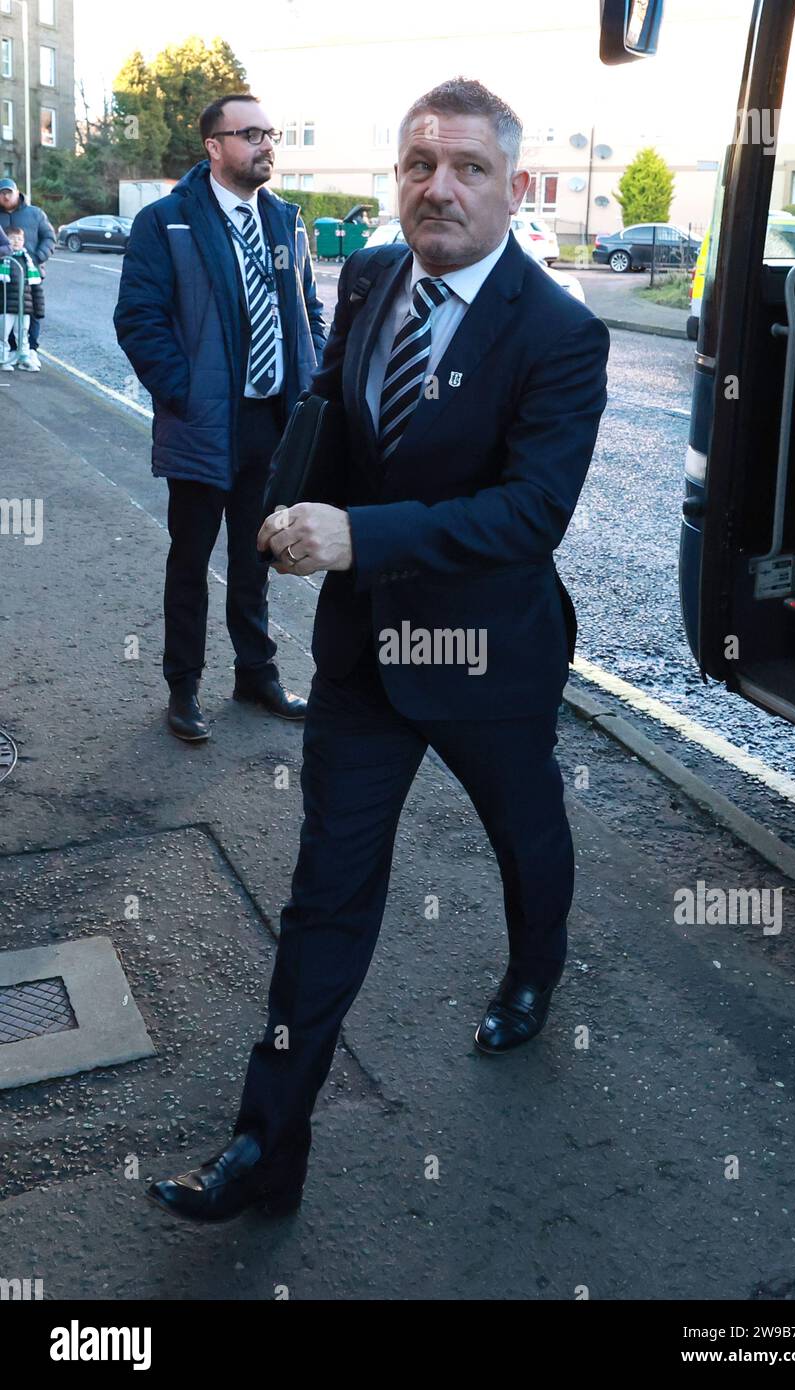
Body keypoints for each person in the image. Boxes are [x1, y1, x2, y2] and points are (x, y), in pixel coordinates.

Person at [147, 76, 610, 1223]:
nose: (437, 187)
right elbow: (328, 403)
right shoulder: (364, 278)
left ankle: (532, 968)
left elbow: (527, 515)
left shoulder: (560, 334)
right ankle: (266, 1150)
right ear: (393, 177)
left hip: (485, 654)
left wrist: (359, 534)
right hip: (363, 658)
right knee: (325, 896)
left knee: (525, 836)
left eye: (466, 168)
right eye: (417, 164)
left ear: (512, 187)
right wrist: (290, 499)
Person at [114, 95, 325, 741]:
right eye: (252, 133)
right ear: (214, 145)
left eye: (272, 132)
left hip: (272, 423)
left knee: (256, 558)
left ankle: (255, 674)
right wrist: (185, 394)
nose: (267, 144)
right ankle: (183, 689)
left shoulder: (286, 222)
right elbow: (139, 321)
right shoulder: (168, 222)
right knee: (190, 560)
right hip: (206, 424)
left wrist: (310, 387)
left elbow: (307, 311)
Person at [0, 177, 55, 364]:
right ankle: (8, 350)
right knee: (4, 312)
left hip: (31, 274)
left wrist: (38, 257)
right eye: (2, 193)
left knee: (31, 312)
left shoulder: (35, 214)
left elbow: (49, 237)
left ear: (17, 193)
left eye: (9, 192)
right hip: (4, 276)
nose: (5, 197)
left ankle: (30, 349)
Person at [0, 226, 45, 371]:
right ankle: (4, 358)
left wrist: (39, 308)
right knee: (3, 334)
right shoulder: (3, 260)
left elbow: (36, 288)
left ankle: (23, 358)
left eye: (20, 239)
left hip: (24, 306)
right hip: (5, 306)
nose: (16, 242)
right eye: (12, 239)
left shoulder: (28, 261)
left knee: (23, 333)